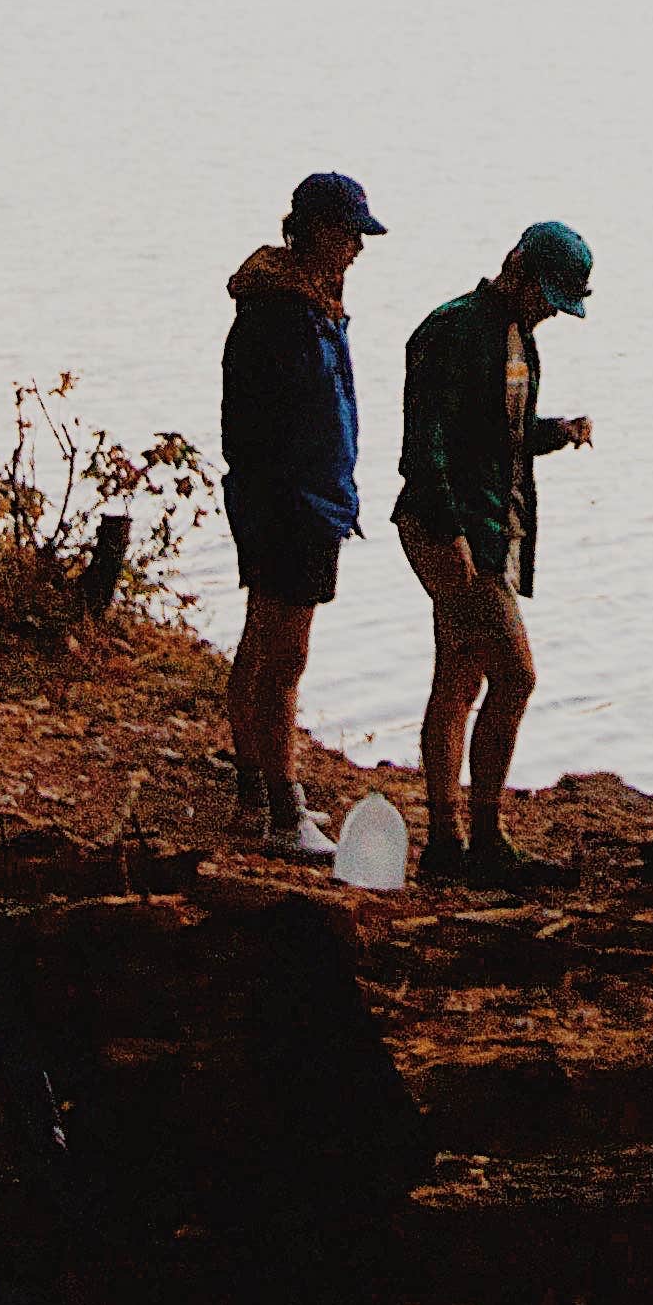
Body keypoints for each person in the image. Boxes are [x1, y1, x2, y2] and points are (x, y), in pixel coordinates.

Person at [395, 219, 595, 885]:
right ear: (516, 270)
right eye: (546, 296)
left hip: (488, 527)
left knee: (459, 677)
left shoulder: (519, 340)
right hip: (450, 530)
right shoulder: (452, 329)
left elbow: (494, 435)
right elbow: (426, 445)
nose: (550, 312)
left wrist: (556, 432)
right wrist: (449, 532)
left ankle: (448, 845)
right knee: (515, 675)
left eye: (559, 304)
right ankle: (482, 837)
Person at [220, 169, 384, 857]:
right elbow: (265, 423)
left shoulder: (310, 304)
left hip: (302, 500)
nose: (357, 249)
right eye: (350, 234)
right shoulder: (282, 315)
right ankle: (284, 816)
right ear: (318, 230)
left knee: (262, 641)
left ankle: (255, 790)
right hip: (292, 503)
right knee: (285, 655)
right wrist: (293, 501)